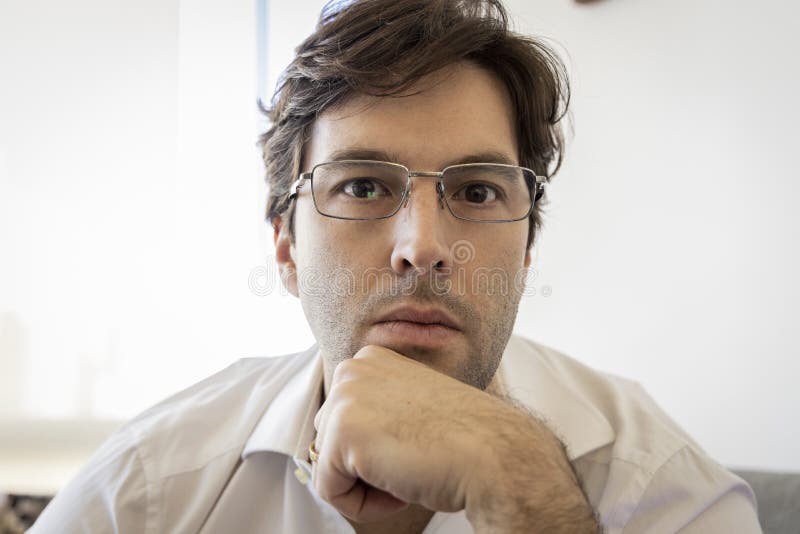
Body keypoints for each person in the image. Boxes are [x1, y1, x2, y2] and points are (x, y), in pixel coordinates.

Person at [32, 0, 761, 532]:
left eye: (477, 191)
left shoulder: (658, 480)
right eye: (362, 186)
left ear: (527, 245)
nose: (422, 245)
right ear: (285, 247)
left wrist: (528, 493)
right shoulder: (147, 494)